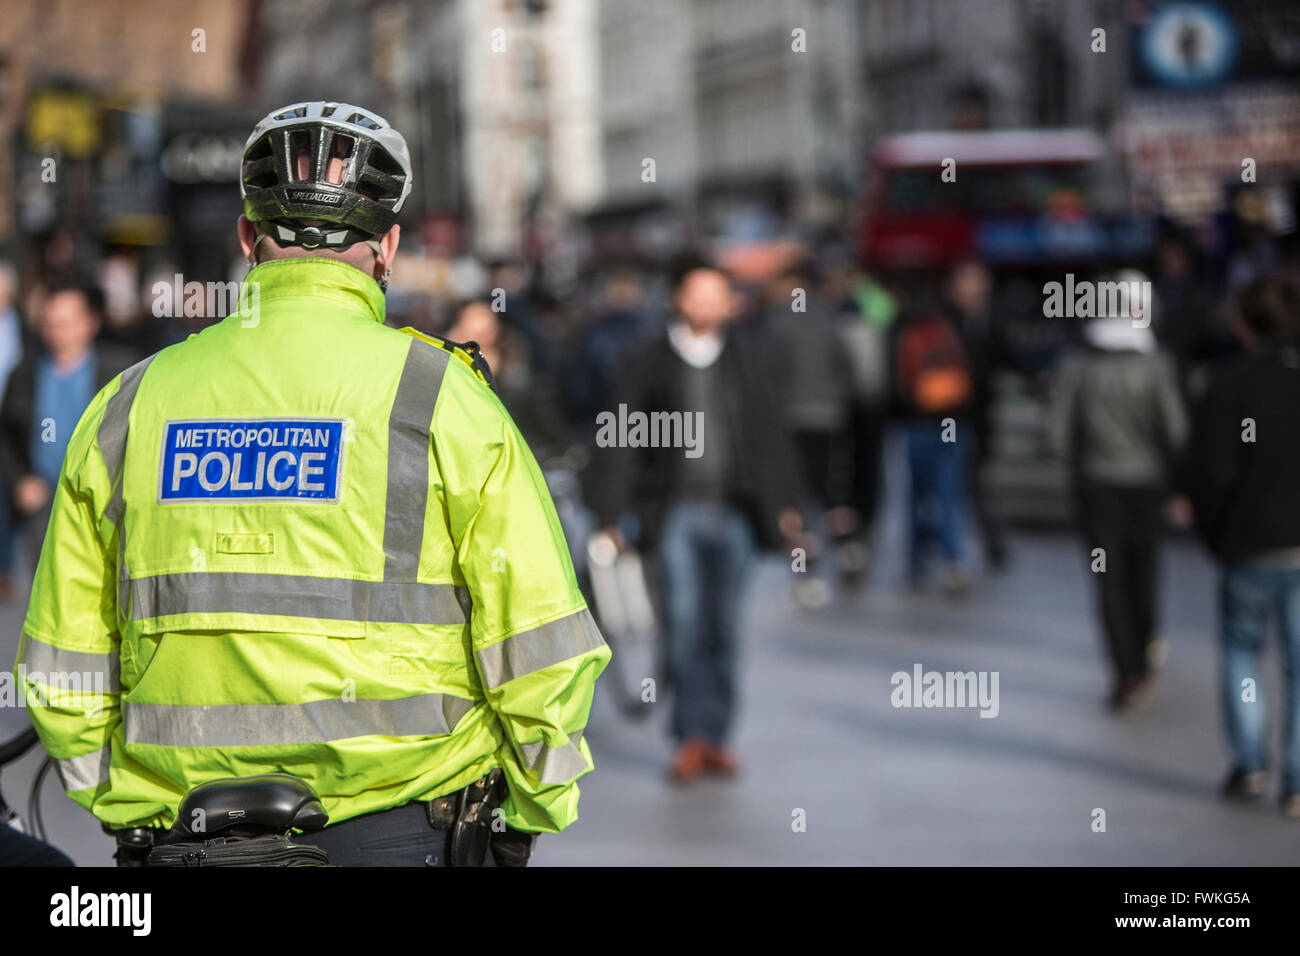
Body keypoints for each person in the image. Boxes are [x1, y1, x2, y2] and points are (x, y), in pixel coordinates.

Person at [13, 102, 609, 867]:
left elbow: (61, 662)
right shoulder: (443, 399)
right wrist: (526, 813)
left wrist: (130, 807)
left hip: (182, 838)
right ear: (388, 246)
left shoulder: (129, 404)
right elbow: (542, 650)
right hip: (403, 832)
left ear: (244, 239)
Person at [592, 255, 803, 783]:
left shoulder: (749, 358)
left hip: (735, 511)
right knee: (683, 624)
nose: (709, 305)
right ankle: (688, 736)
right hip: (676, 513)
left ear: (731, 303)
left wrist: (785, 506)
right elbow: (620, 438)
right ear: (677, 300)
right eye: (698, 294)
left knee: (726, 628)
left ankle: (717, 735)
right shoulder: (647, 359)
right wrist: (612, 514)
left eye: (718, 295)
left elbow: (770, 438)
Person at [1184, 271, 1300, 816]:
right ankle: (1297, 781)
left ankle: (1251, 765)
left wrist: (1218, 537)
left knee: (1241, 652)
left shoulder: (1225, 385)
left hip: (1249, 544)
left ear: (1242, 323)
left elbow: (1208, 475)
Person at [1049, 270, 1188, 715]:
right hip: (1145, 487)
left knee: (1107, 579)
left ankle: (1124, 670)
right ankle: (1144, 653)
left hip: (1096, 490)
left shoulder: (1076, 367)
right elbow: (1176, 431)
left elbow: (1055, 436)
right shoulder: (1156, 367)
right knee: (1143, 570)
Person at [0, 285, 139, 582]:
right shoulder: (24, 374)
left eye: (66, 323)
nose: (57, 332)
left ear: (90, 323)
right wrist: (20, 481)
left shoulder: (119, 373)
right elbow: (7, 436)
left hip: (101, 497)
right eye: (50, 323)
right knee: (48, 587)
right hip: (44, 499)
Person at [893, 299, 975, 596]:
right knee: (949, 494)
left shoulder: (907, 338)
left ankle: (917, 563)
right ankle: (954, 561)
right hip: (953, 424)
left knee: (917, 496)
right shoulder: (950, 332)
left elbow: (898, 385)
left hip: (919, 424)